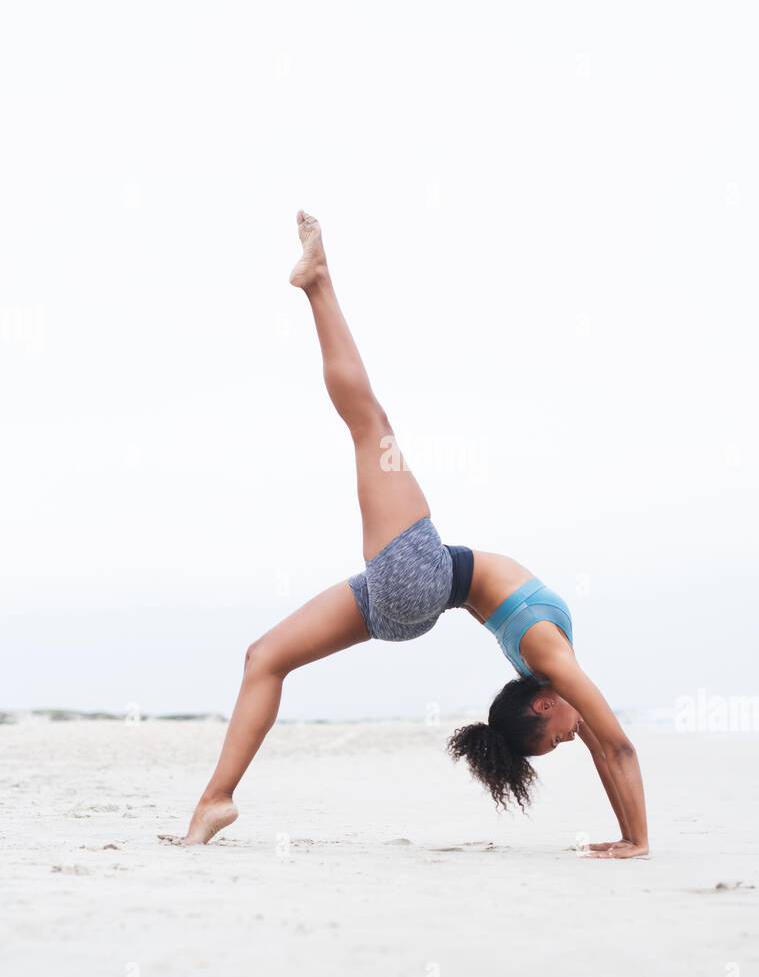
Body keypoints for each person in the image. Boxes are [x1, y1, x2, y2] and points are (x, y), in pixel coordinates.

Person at [182, 212, 649, 858]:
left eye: (554, 743)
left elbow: (610, 744)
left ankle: (318, 283)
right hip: (416, 592)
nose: (572, 738)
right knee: (265, 658)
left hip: (422, 579)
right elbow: (612, 744)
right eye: (557, 740)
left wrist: (634, 839)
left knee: (368, 420)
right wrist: (634, 839)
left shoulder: (548, 664)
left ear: (540, 704)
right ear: (543, 707)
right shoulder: (548, 664)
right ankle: (215, 800)